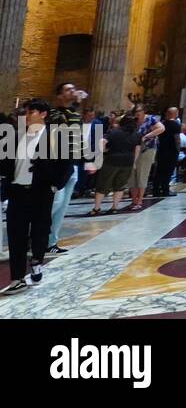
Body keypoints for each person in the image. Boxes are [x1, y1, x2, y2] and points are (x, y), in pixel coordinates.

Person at [1, 100, 73, 297]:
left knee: (40, 230)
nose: (26, 116)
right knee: (16, 234)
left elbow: (66, 165)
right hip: (17, 191)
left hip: (41, 191)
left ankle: (37, 261)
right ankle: (17, 279)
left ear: (43, 114)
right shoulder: (14, 136)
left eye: (30, 112)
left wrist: (55, 185)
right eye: (24, 112)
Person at [45, 83, 85, 256]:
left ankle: (51, 242)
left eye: (73, 89)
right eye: (68, 90)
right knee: (55, 203)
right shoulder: (54, 113)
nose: (73, 91)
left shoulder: (74, 114)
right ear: (59, 96)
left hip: (72, 163)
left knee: (62, 208)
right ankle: (35, 236)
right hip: (58, 165)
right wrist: (75, 103)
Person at [92, 114, 139, 215]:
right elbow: (137, 149)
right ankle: (114, 207)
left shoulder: (114, 132)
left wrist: (102, 152)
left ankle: (96, 208)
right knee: (120, 186)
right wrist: (134, 163)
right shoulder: (137, 134)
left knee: (103, 184)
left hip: (112, 160)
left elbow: (102, 141)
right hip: (128, 162)